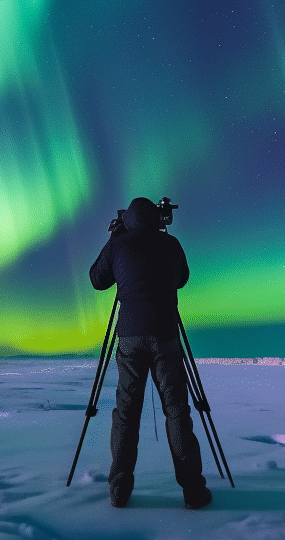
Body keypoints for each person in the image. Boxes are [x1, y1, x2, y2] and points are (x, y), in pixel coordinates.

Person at [89, 197, 211, 510]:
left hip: (130, 337)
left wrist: (114, 239)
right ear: (156, 218)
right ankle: (193, 490)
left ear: (127, 219)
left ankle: (119, 487)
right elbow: (182, 278)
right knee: (177, 411)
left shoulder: (118, 244)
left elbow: (97, 279)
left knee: (126, 413)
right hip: (167, 335)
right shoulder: (170, 244)